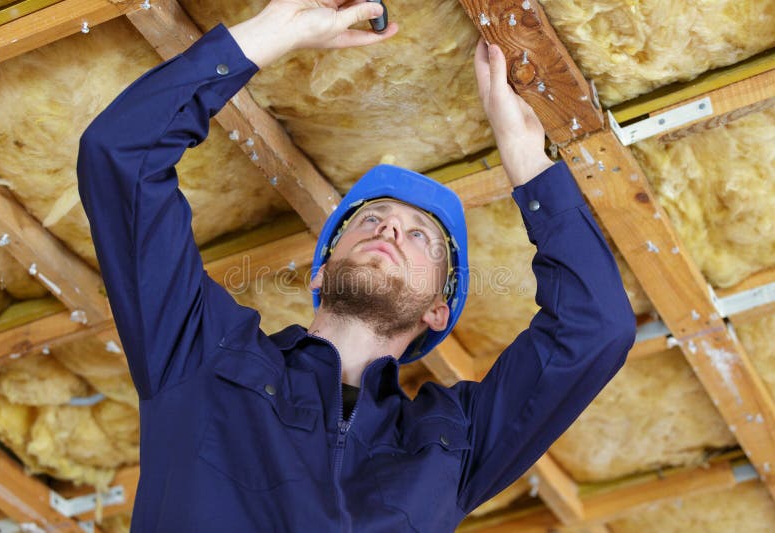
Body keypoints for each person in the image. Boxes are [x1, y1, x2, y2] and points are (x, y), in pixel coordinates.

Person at [77, 1, 636, 531]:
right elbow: (121, 156)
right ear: (320, 274)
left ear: (438, 310)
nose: (390, 229)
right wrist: (276, 32)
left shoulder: (452, 446)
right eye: (370, 221)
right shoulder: (201, 353)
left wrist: (526, 161)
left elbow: (594, 331)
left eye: (421, 237)